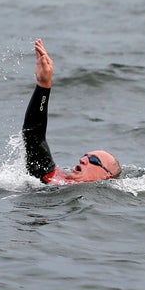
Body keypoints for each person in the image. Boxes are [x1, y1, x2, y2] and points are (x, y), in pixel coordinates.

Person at [21, 39, 121, 184]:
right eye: (85, 156)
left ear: (106, 176)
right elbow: (33, 134)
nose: (83, 159)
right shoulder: (52, 176)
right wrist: (43, 85)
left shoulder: (93, 199)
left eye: (93, 160)